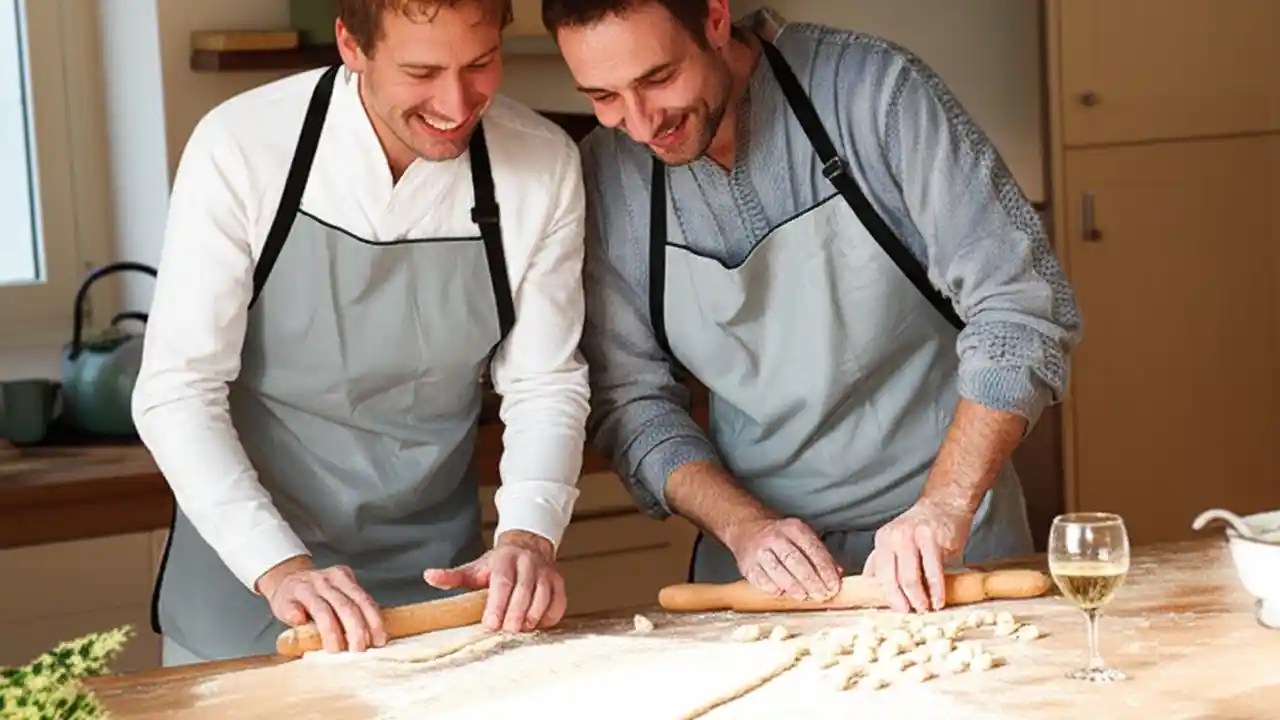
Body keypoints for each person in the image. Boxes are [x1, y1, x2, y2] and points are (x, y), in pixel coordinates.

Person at [541, 0, 1083, 613]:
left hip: (948, 550)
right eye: (603, 97)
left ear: (716, 19)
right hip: (761, 570)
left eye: (658, 79)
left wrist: (943, 506)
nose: (639, 125)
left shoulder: (873, 94)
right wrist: (745, 526)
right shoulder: (608, 178)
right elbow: (630, 402)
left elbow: (1019, 306)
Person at [133, 0, 591, 665]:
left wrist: (528, 537)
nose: (457, 100)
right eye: (421, 71)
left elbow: (545, 381)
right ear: (352, 45)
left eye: (482, 62)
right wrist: (282, 569)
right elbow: (177, 390)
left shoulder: (540, 165)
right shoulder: (244, 147)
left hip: (437, 597)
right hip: (249, 591)